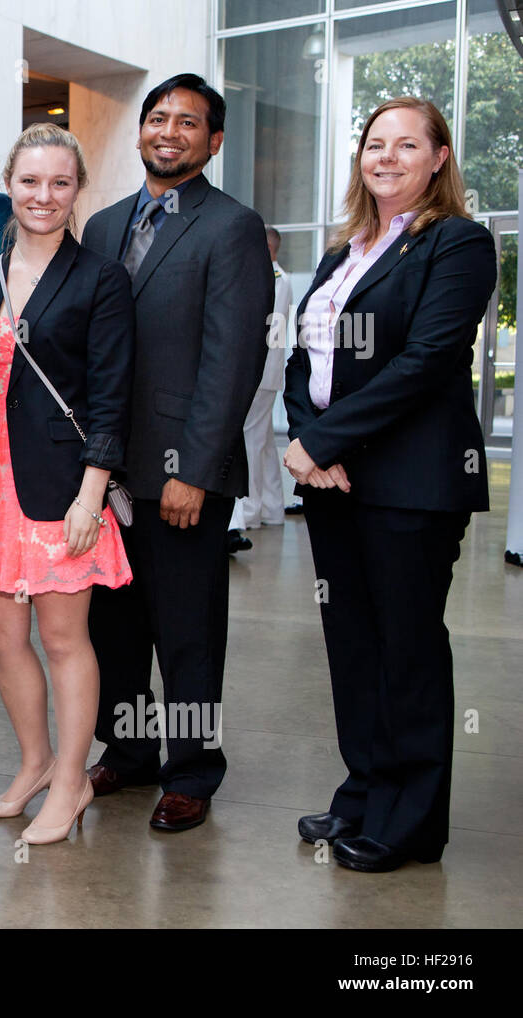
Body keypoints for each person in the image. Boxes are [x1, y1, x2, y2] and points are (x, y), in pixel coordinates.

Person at [285, 97, 495, 873]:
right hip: (334, 482)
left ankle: (409, 824)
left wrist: (320, 439)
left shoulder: (458, 244)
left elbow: (427, 362)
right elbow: (304, 357)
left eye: (408, 145)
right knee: (353, 646)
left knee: (405, 651)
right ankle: (365, 794)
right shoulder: (347, 250)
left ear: (438, 158)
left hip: (411, 485)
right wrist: (309, 435)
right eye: (376, 144)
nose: (388, 157)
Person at [80, 73, 274, 831]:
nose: (168, 132)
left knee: (187, 630)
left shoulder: (232, 227)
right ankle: (130, 754)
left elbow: (232, 363)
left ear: (213, 141)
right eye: (157, 118)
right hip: (105, 471)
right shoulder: (101, 226)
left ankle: (192, 770)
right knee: (113, 625)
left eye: (187, 123)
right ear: (140, 132)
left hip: (182, 471)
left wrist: (194, 470)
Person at [0, 124, 134, 844]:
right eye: (30, 182)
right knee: (1, 635)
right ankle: (33, 765)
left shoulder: (100, 280)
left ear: (77, 188)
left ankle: (72, 781)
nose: (44, 196)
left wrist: (92, 495)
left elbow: (111, 397)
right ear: (9, 184)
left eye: (59, 182)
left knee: (63, 639)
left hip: (62, 486)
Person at [228, 226, 293, 553]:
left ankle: (249, 511)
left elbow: (262, 329)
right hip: (267, 374)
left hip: (259, 374)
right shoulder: (280, 276)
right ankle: (271, 508)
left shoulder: (273, 278)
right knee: (264, 443)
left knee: (249, 443)